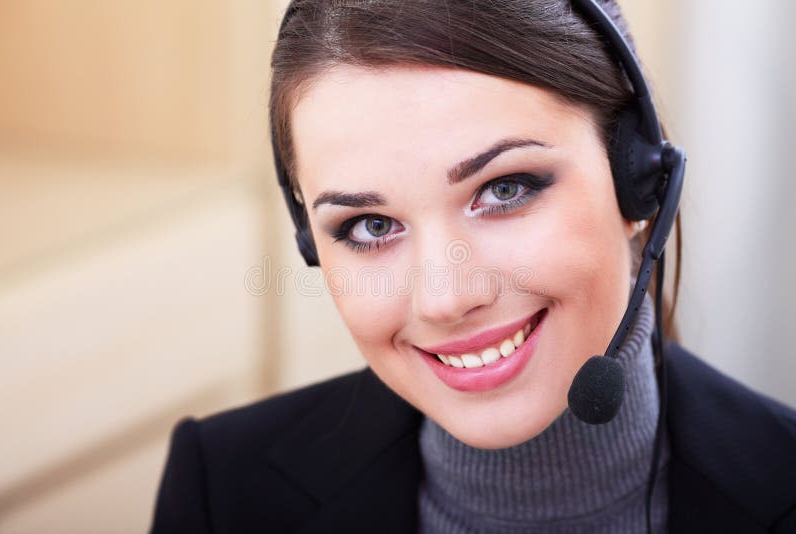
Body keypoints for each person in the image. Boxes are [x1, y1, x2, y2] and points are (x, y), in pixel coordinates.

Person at [150, 1, 796, 532]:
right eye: (370, 227)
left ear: (638, 180)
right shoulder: (224, 490)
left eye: (506, 189)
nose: (445, 299)